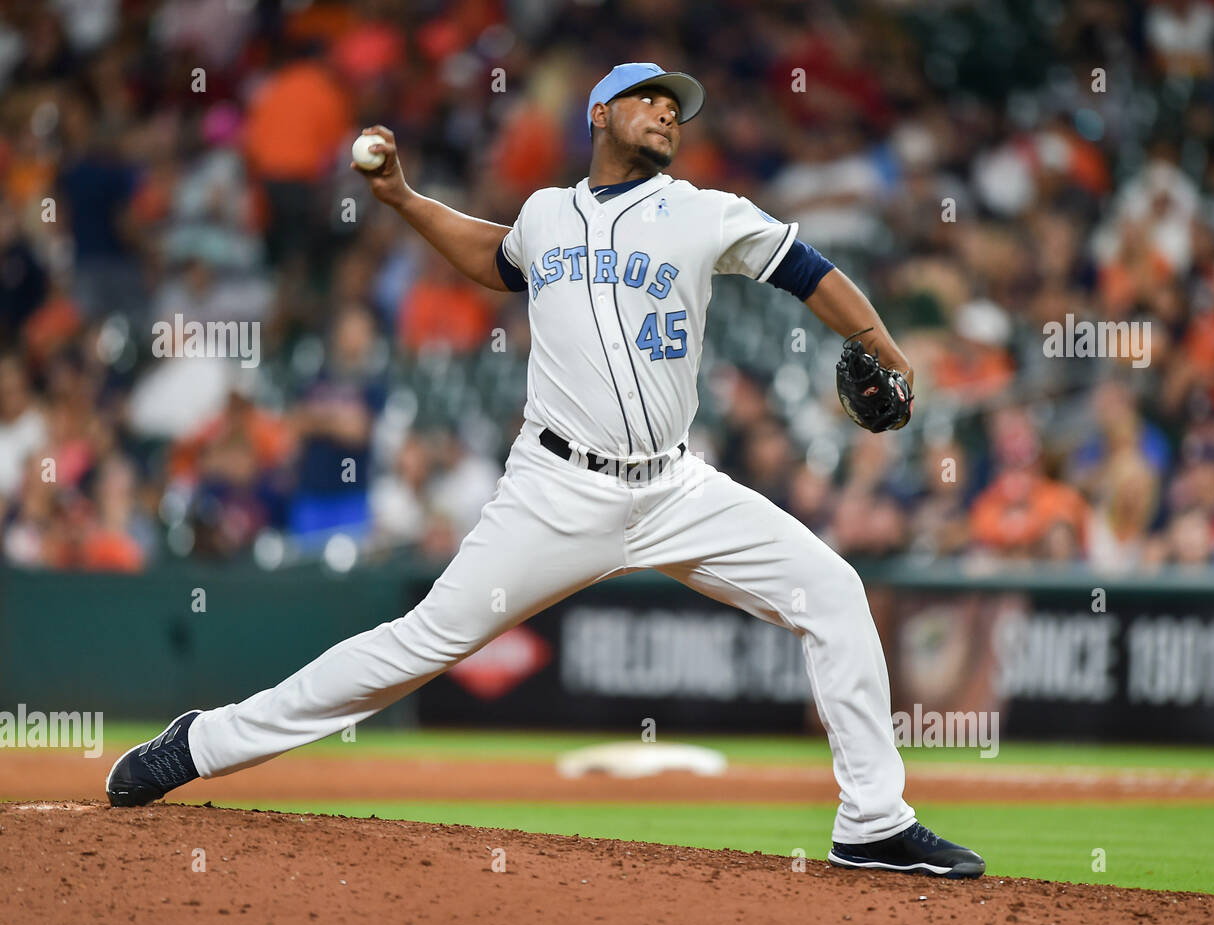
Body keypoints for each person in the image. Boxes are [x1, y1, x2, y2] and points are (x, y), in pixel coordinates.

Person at [107, 63, 985, 879]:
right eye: (649, 99)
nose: (668, 113)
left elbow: (809, 271)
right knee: (416, 647)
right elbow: (493, 257)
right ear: (599, 113)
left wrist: (881, 344)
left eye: (677, 106)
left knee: (831, 590)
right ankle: (203, 743)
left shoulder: (704, 211)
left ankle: (872, 819)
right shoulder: (544, 215)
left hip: (678, 487)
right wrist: (404, 197)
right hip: (557, 489)